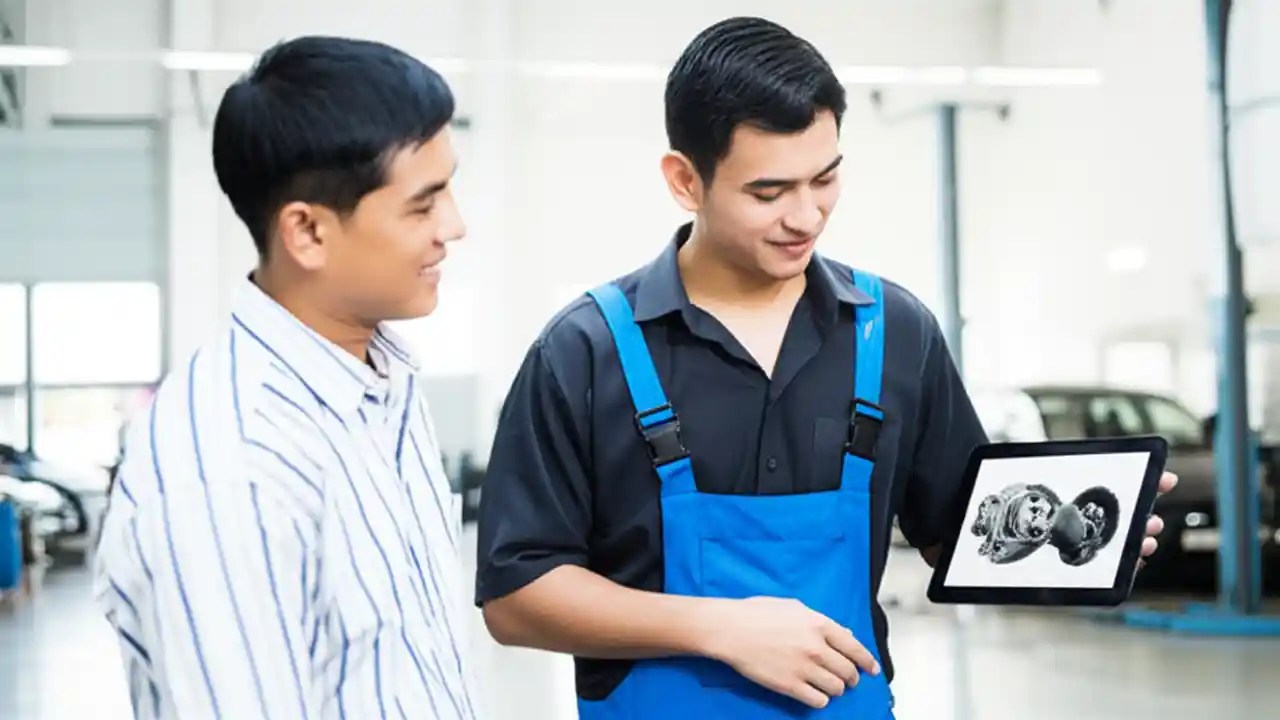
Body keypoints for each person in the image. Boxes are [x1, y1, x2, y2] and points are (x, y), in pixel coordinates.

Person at [475, 16, 1176, 718]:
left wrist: (1079, 540)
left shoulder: (895, 333)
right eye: (769, 192)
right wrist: (720, 628)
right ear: (686, 180)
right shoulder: (585, 352)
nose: (807, 216)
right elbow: (515, 596)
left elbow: (955, 536)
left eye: (826, 178)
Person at [93, 36, 477, 719]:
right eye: (423, 205)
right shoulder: (230, 467)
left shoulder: (383, 388)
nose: (455, 226)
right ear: (307, 233)